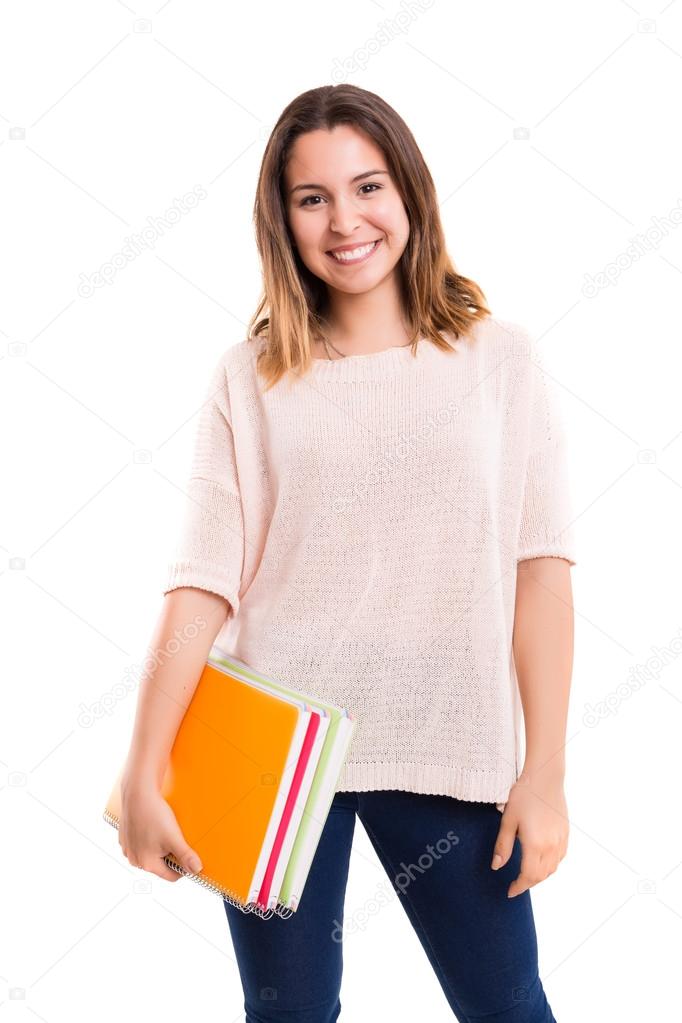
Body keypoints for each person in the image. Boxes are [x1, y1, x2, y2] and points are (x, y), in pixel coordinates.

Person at [117, 84, 577, 1023]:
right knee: (287, 1014)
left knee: (506, 1006)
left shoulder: (501, 361)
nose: (345, 220)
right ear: (281, 218)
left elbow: (541, 570)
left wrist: (547, 771)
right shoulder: (249, 377)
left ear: (410, 192)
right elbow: (201, 584)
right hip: (270, 748)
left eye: (367, 186)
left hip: (447, 736)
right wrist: (141, 767)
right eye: (311, 197)